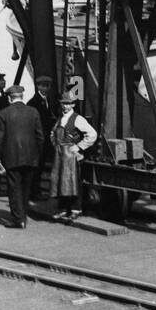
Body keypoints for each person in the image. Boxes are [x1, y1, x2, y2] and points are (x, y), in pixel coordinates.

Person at [0, 84, 45, 229]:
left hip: (12, 158)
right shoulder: (33, 112)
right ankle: (23, 216)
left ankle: (18, 220)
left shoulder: (4, 113)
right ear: (22, 97)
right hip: (31, 158)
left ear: (10, 98)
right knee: (26, 188)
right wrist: (38, 156)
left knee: (14, 188)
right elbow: (40, 137)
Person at [50, 83, 98, 221]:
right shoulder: (60, 118)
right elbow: (53, 133)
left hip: (71, 156)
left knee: (73, 182)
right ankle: (63, 209)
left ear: (73, 105)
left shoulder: (78, 119)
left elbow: (92, 134)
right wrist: (55, 144)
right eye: (64, 103)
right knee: (60, 181)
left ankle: (76, 209)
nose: (66, 106)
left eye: (69, 104)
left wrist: (79, 147)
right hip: (60, 155)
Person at [28, 75, 59, 202]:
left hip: (45, 139)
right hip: (38, 140)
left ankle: (36, 190)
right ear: (38, 86)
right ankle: (34, 192)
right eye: (43, 85)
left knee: (40, 166)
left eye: (47, 86)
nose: (45, 88)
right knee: (37, 166)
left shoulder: (48, 101)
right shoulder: (33, 103)